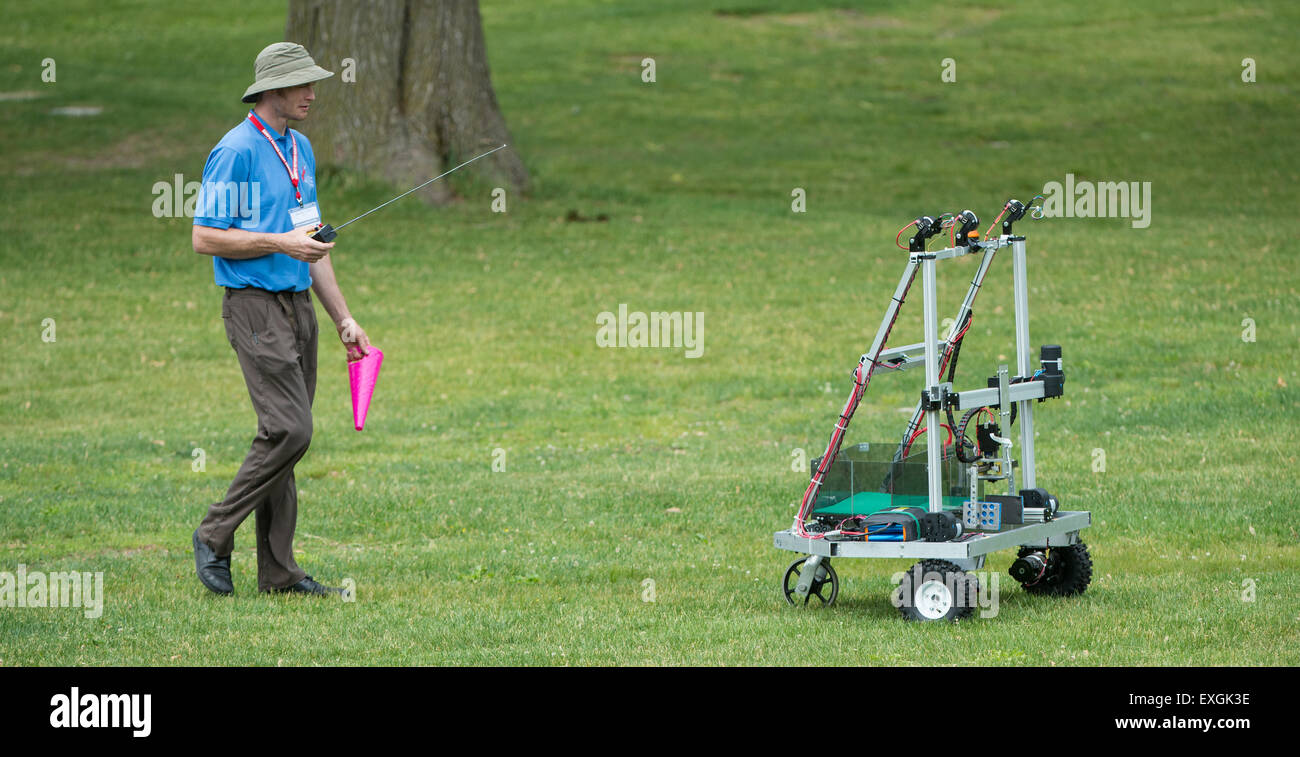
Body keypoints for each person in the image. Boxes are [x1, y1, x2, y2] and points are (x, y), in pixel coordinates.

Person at [191, 42, 370, 596]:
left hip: (299, 309)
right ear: (273, 89)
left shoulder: (300, 149)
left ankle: (278, 573)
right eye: (302, 85)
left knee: (283, 439)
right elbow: (204, 236)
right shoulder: (236, 151)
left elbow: (311, 244)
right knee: (291, 430)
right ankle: (214, 534)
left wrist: (343, 318)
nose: (312, 94)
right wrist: (279, 242)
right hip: (253, 307)